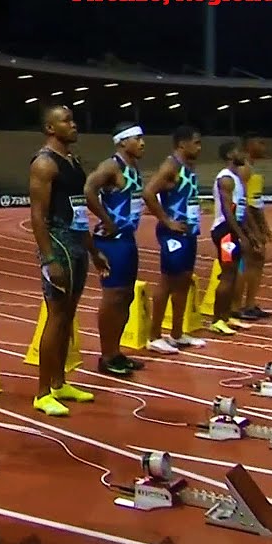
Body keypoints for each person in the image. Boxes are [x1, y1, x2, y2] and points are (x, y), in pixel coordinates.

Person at [27, 104, 107, 417]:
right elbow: (37, 215)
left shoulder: (72, 162)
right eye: (66, 121)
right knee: (56, 317)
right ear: (50, 128)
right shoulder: (44, 164)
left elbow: (78, 211)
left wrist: (92, 249)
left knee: (67, 317)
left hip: (75, 241)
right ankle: (42, 392)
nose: (74, 125)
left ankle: (60, 383)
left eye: (73, 119)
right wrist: (49, 258)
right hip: (58, 243)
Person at [84, 122, 148, 378]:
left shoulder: (133, 166)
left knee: (126, 296)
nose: (143, 143)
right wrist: (106, 220)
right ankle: (106, 355)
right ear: (122, 141)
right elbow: (88, 189)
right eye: (137, 138)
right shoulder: (112, 166)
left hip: (127, 239)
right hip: (111, 241)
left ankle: (116, 351)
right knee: (113, 297)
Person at [141, 127, 207, 353]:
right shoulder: (171, 166)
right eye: (196, 143)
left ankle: (177, 333)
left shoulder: (189, 166)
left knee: (185, 280)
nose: (199, 148)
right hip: (174, 234)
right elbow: (148, 192)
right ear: (182, 144)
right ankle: (153, 336)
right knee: (168, 281)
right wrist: (166, 220)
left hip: (189, 231)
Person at [209, 141, 258, 337]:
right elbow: (228, 212)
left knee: (234, 275)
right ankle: (217, 320)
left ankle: (227, 315)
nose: (242, 154)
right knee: (228, 275)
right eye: (238, 151)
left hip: (233, 230)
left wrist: (250, 233)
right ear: (230, 154)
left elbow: (242, 211)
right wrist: (241, 234)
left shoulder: (237, 179)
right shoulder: (226, 179)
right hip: (225, 232)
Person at [232, 133, 272, 323]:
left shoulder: (251, 169)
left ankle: (249, 304)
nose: (265, 147)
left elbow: (256, 202)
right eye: (261, 142)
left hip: (250, 221)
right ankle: (238, 306)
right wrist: (254, 231)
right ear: (249, 145)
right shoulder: (244, 169)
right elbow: (245, 204)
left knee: (257, 259)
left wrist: (264, 227)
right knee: (247, 262)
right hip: (243, 223)